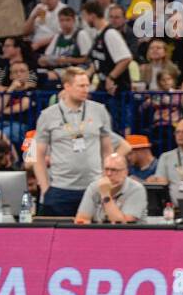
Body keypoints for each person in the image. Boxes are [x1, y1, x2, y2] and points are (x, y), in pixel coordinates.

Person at [33, 66, 126, 215]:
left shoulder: (99, 110)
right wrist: (45, 189)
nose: (86, 90)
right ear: (67, 86)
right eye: (81, 86)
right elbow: (37, 155)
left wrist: (105, 179)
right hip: (60, 190)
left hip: (94, 187)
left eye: (87, 85)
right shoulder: (47, 115)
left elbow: (107, 149)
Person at [73, 153, 146, 224]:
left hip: (131, 235)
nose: (109, 174)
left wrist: (105, 194)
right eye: (106, 169)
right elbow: (81, 220)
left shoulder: (136, 189)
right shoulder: (93, 187)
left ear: (125, 172)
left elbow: (122, 225)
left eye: (114, 170)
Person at [152, 118, 183, 207]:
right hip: (175, 209)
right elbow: (161, 183)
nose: (180, 135)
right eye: (177, 132)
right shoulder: (166, 157)